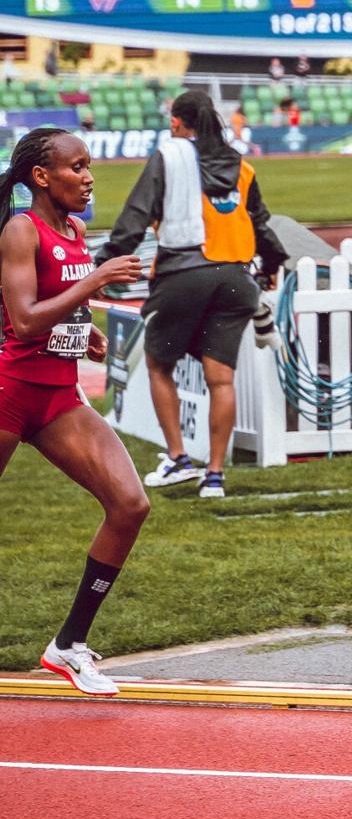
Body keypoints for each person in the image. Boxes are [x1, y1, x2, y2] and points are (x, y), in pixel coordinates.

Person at [1, 128, 149, 695]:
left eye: (89, 167)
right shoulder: (20, 228)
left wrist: (83, 331)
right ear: (42, 176)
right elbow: (26, 318)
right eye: (77, 167)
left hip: (59, 396)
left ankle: (68, 646)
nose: (89, 178)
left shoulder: (75, 229)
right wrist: (97, 280)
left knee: (130, 504)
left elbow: (59, 307)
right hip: (11, 391)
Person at [98, 92, 288, 499]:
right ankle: (215, 476)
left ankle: (178, 457)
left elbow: (135, 215)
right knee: (221, 378)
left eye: (173, 121)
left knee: (158, 365)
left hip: (185, 272)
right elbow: (260, 225)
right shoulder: (244, 167)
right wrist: (271, 266)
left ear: (181, 123)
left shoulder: (171, 158)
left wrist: (106, 261)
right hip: (238, 279)